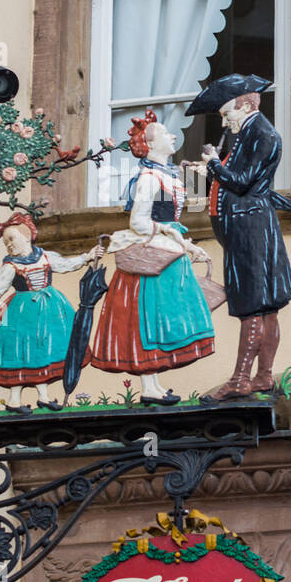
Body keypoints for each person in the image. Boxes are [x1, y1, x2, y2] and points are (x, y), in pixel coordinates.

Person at [184, 74, 291, 399]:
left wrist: (213, 167)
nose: (224, 122)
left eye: (226, 114)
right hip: (248, 230)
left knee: (255, 307)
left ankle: (241, 380)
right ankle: (261, 377)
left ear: (247, 104)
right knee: (264, 308)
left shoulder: (263, 135)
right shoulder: (245, 135)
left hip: (251, 232)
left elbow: (243, 182)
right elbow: (260, 190)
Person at [90, 109, 215, 401]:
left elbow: (185, 210)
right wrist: (171, 234)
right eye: (164, 133)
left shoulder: (170, 174)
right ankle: (148, 386)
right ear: (151, 144)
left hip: (170, 255)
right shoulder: (147, 177)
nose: (173, 135)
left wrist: (186, 243)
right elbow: (138, 222)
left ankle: (154, 385)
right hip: (153, 258)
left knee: (165, 318)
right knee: (149, 319)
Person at [0, 213, 101, 411]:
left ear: (28, 236)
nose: (9, 245)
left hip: (50, 309)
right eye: (6, 243)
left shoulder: (45, 257)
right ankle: (14, 400)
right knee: (19, 352)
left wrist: (87, 256)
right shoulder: (11, 266)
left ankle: (44, 396)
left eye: (12, 239)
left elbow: (66, 264)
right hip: (19, 313)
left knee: (43, 351)